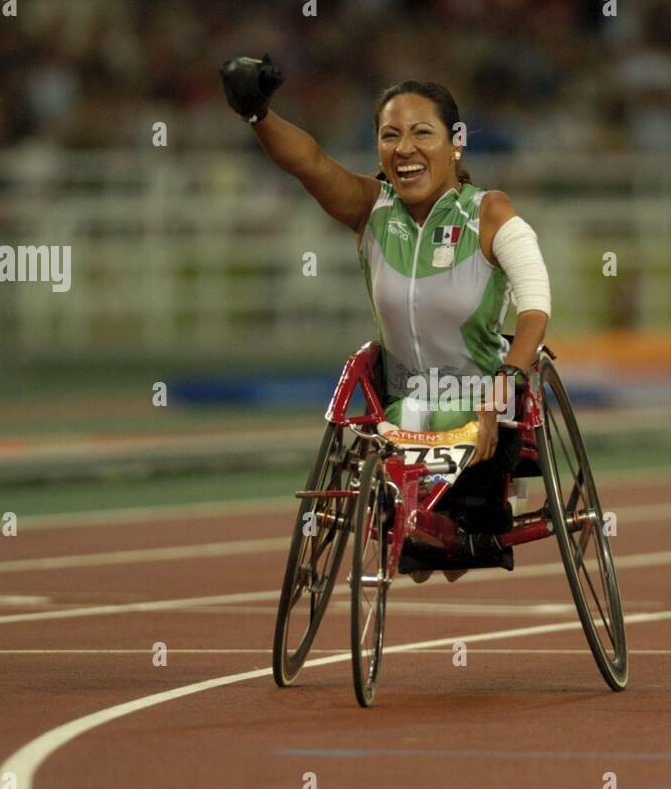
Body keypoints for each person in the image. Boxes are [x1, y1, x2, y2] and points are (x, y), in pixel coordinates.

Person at [220, 53, 551, 580]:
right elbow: (310, 162)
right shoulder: (371, 209)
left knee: (469, 526)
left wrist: (500, 391)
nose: (405, 149)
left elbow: (535, 306)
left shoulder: (489, 212)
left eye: (422, 133)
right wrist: (258, 114)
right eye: (390, 136)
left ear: (455, 142)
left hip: (486, 405)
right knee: (408, 530)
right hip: (403, 411)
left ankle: (470, 519)